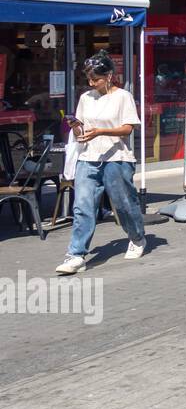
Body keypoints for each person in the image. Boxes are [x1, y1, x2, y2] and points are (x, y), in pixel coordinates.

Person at [56, 51, 150, 274]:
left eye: (95, 78)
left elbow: (128, 129)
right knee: (82, 205)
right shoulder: (85, 98)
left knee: (123, 203)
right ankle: (76, 254)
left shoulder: (123, 97)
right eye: (89, 78)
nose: (91, 82)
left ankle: (137, 237)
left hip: (116, 157)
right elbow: (82, 128)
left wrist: (100, 132)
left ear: (108, 76)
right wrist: (76, 126)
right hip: (88, 156)